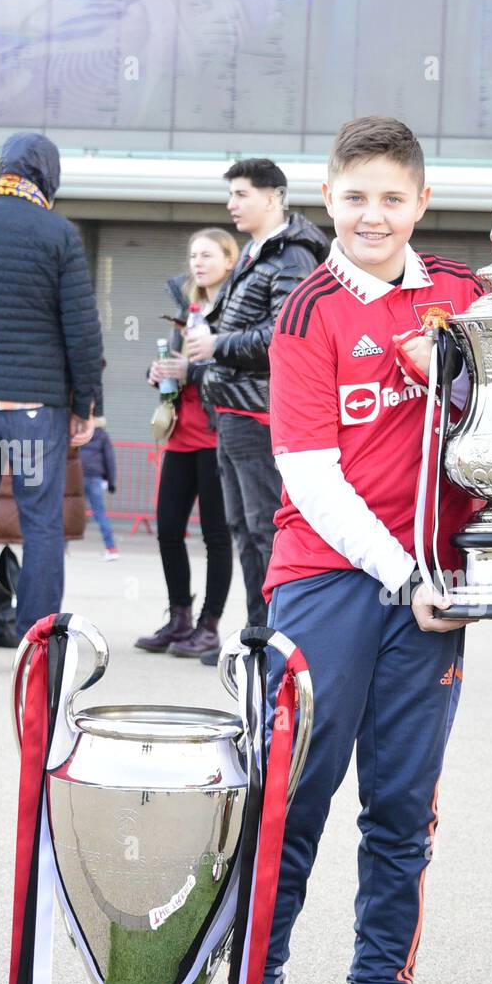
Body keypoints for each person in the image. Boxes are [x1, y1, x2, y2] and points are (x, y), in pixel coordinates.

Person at [192, 116, 484, 984]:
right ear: (329, 200)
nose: (373, 216)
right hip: (327, 577)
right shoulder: (307, 311)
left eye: (392, 199)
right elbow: (310, 474)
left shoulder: (464, 297)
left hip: (433, 591)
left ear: (422, 203)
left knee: (402, 805)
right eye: (355, 198)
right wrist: (404, 571)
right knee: (298, 790)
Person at [184, 160, 328, 654]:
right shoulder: (257, 253)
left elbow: (285, 336)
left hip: (260, 416)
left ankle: (278, 642)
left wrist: (217, 345)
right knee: (244, 530)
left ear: (273, 198)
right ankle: (258, 636)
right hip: (234, 413)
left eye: (241, 194)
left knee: (265, 531)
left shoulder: (292, 257)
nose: (231, 204)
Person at [0, 131, 102, 640]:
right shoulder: (57, 234)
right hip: (31, 411)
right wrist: (87, 402)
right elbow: (81, 328)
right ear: (47, 176)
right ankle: (35, 639)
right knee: (40, 524)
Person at [135, 228, 236, 658]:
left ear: (229, 260)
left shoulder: (236, 309)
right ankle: (179, 617)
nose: (198, 262)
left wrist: (189, 372)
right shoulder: (187, 307)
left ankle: (209, 626)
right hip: (179, 434)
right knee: (169, 530)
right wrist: (156, 373)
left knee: (216, 535)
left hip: (218, 436)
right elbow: (173, 365)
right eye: (193, 254)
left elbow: (239, 369)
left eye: (208, 254)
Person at [80, 417, 118, 559]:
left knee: (70, 511)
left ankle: (62, 548)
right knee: (100, 513)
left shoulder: (79, 432)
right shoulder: (103, 436)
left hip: (78, 475)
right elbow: (110, 459)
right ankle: (111, 548)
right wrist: (111, 481)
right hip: (95, 477)